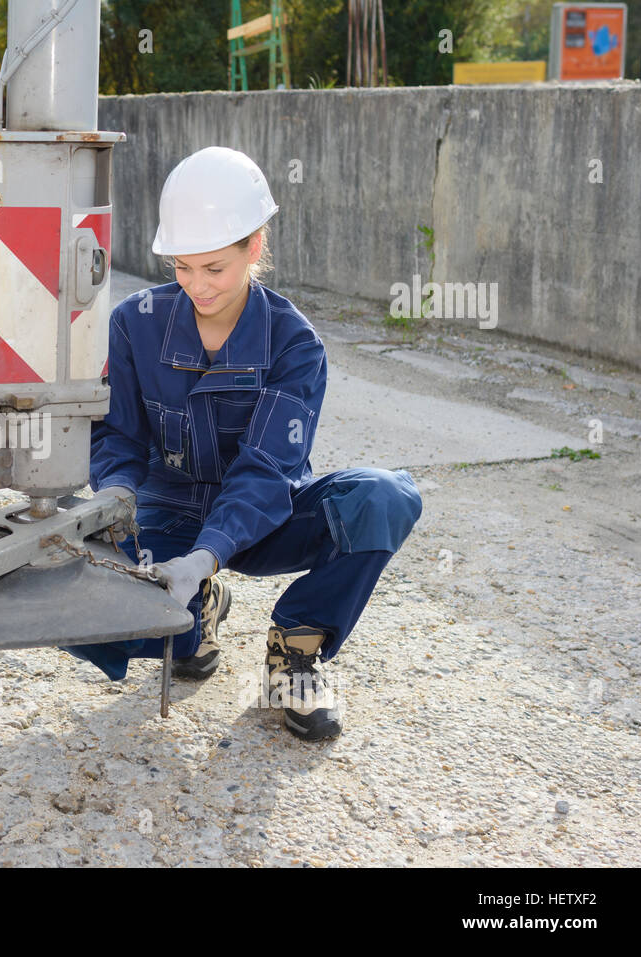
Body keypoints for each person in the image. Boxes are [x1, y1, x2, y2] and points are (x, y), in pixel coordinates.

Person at [66, 146, 422, 741]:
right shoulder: (135, 322)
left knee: (382, 498)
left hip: (265, 516)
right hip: (167, 514)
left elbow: (266, 468)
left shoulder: (293, 343)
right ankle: (196, 615)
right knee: (81, 607)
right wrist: (117, 507)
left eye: (215, 269)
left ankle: (295, 652)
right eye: (183, 267)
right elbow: (118, 437)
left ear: (254, 247)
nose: (197, 286)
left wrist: (209, 551)